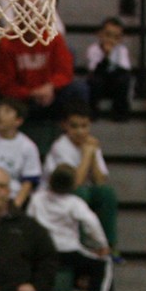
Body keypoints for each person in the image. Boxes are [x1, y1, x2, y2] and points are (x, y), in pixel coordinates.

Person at [44, 106, 120, 251]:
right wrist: (87, 154)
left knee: (106, 193)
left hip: (78, 191)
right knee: (80, 193)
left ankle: (108, 246)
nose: (80, 131)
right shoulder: (60, 147)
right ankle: (82, 244)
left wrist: (93, 154)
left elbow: (100, 181)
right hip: (55, 194)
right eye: (74, 126)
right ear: (64, 126)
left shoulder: (90, 144)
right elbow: (73, 183)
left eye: (84, 126)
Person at [0, 30, 88, 119]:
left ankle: (75, 128)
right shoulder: (6, 43)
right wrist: (30, 92)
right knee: (1, 101)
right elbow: (4, 83)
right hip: (22, 98)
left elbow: (65, 72)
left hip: (51, 93)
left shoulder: (53, 37)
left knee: (78, 89)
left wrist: (51, 86)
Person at [85, 16, 133, 122]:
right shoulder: (93, 49)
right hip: (99, 83)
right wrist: (106, 55)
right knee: (94, 80)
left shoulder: (122, 50)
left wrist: (110, 55)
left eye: (116, 37)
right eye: (107, 35)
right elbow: (94, 70)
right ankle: (93, 111)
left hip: (115, 84)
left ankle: (120, 111)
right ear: (100, 34)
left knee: (124, 79)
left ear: (120, 39)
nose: (110, 40)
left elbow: (124, 70)